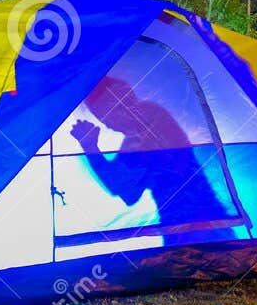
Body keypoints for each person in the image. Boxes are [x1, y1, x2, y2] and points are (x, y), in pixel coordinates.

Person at [67, 76, 237, 237]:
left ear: (122, 104)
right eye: (104, 121)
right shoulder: (133, 138)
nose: (109, 126)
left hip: (204, 218)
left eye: (107, 117)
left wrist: (91, 148)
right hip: (175, 225)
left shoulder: (150, 115)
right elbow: (128, 194)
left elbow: (124, 185)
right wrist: (90, 147)